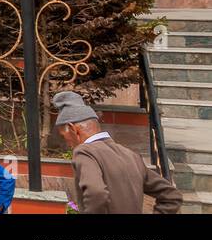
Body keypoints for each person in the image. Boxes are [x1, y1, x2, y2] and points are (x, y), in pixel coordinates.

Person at [52, 91, 182, 214]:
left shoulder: (84, 152)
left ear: (72, 129)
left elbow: (96, 193)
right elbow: (171, 196)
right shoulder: (129, 154)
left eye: (64, 136)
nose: (68, 144)